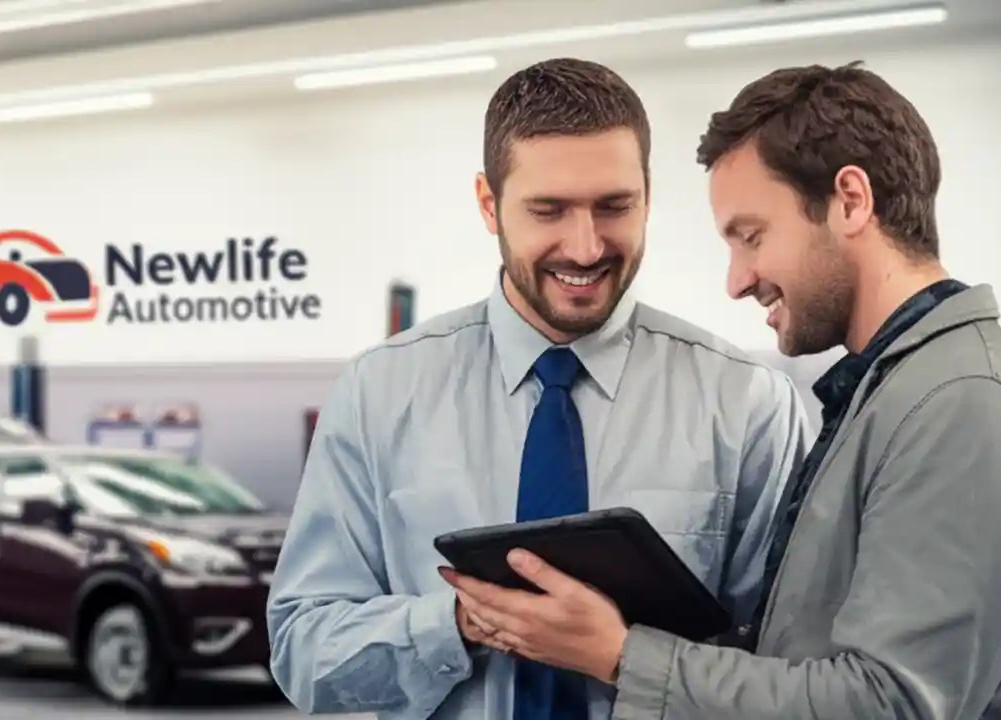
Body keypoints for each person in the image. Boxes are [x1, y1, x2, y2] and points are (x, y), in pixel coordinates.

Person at [444, 61, 1001, 719]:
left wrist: (619, 655)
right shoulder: (894, 392)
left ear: (850, 201)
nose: (737, 279)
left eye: (750, 236)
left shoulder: (962, 404)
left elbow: (887, 703)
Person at [266, 58, 810, 719]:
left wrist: (625, 655)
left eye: (615, 206)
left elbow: (787, 664)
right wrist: (463, 622)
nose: (584, 248)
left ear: (648, 195)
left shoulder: (748, 404)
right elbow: (303, 650)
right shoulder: (378, 395)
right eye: (548, 210)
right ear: (488, 205)